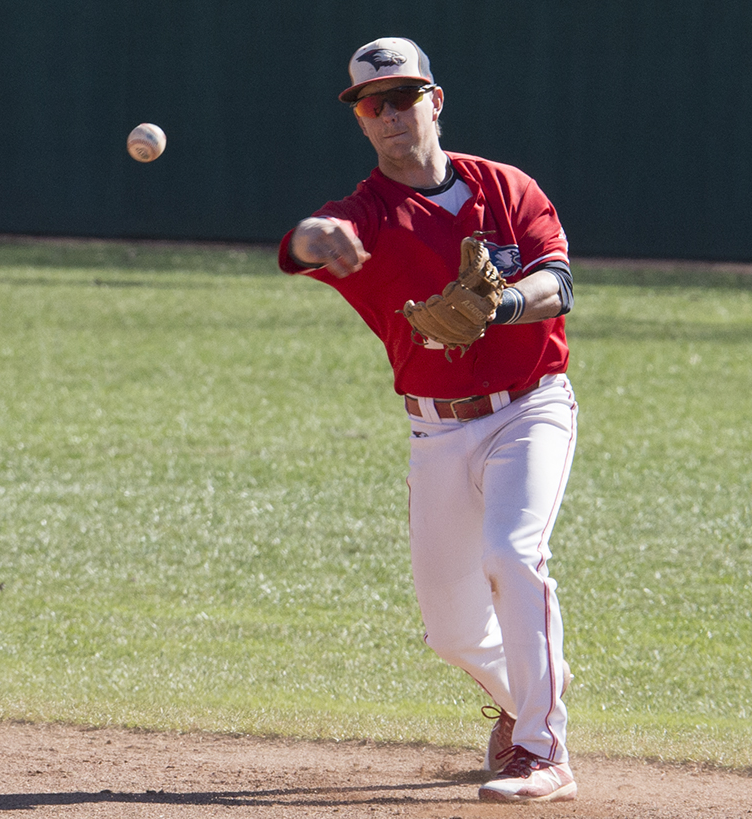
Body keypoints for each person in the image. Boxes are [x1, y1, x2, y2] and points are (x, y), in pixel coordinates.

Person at [277, 36, 579, 804]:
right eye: (371, 105)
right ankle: (533, 685)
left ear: (434, 102)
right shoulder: (367, 216)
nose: (388, 115)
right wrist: (317, 236)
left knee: (513, 555)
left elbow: (558, 285)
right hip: (436, 429)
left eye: (403, 97)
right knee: (450, 630)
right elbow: (301, 244)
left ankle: (542, 751)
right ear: (361, 121)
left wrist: (499, 307)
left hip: (531, 407)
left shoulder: (505, 188)